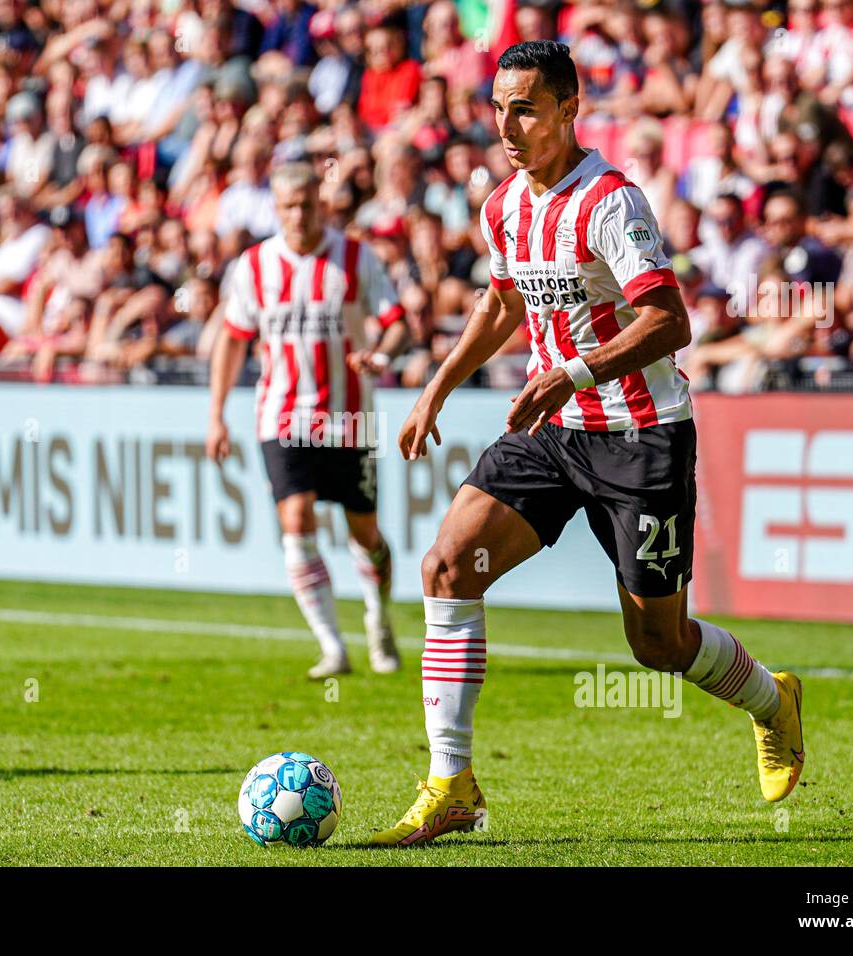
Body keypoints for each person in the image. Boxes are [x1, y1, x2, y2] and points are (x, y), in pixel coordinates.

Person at [373, 41, 806, 846]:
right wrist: (437, 386)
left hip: (641, 436)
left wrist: (573, 371)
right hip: (552, 429)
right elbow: (503, 304)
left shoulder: (611, 202)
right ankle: (451, 783)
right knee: (447, 563)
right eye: (498, 106)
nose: (506, 123)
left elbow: (670, 320)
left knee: (659, 644)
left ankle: (772, 701)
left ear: (571, 111)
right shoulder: (503, 203)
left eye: (526, 107)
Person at [206, 161, 412, 680]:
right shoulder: (254, 267)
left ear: (321, 202)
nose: (298, 215)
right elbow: (232, 340)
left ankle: (378, 616)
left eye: (306, 204)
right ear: (275, 208)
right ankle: (331, 645)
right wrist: (216, 415)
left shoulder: (355, 257)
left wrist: (382, 355)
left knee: (363, 532)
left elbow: (397, 324)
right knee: (295, 518)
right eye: (288, 206)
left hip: (350, 418)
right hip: (282, 414)